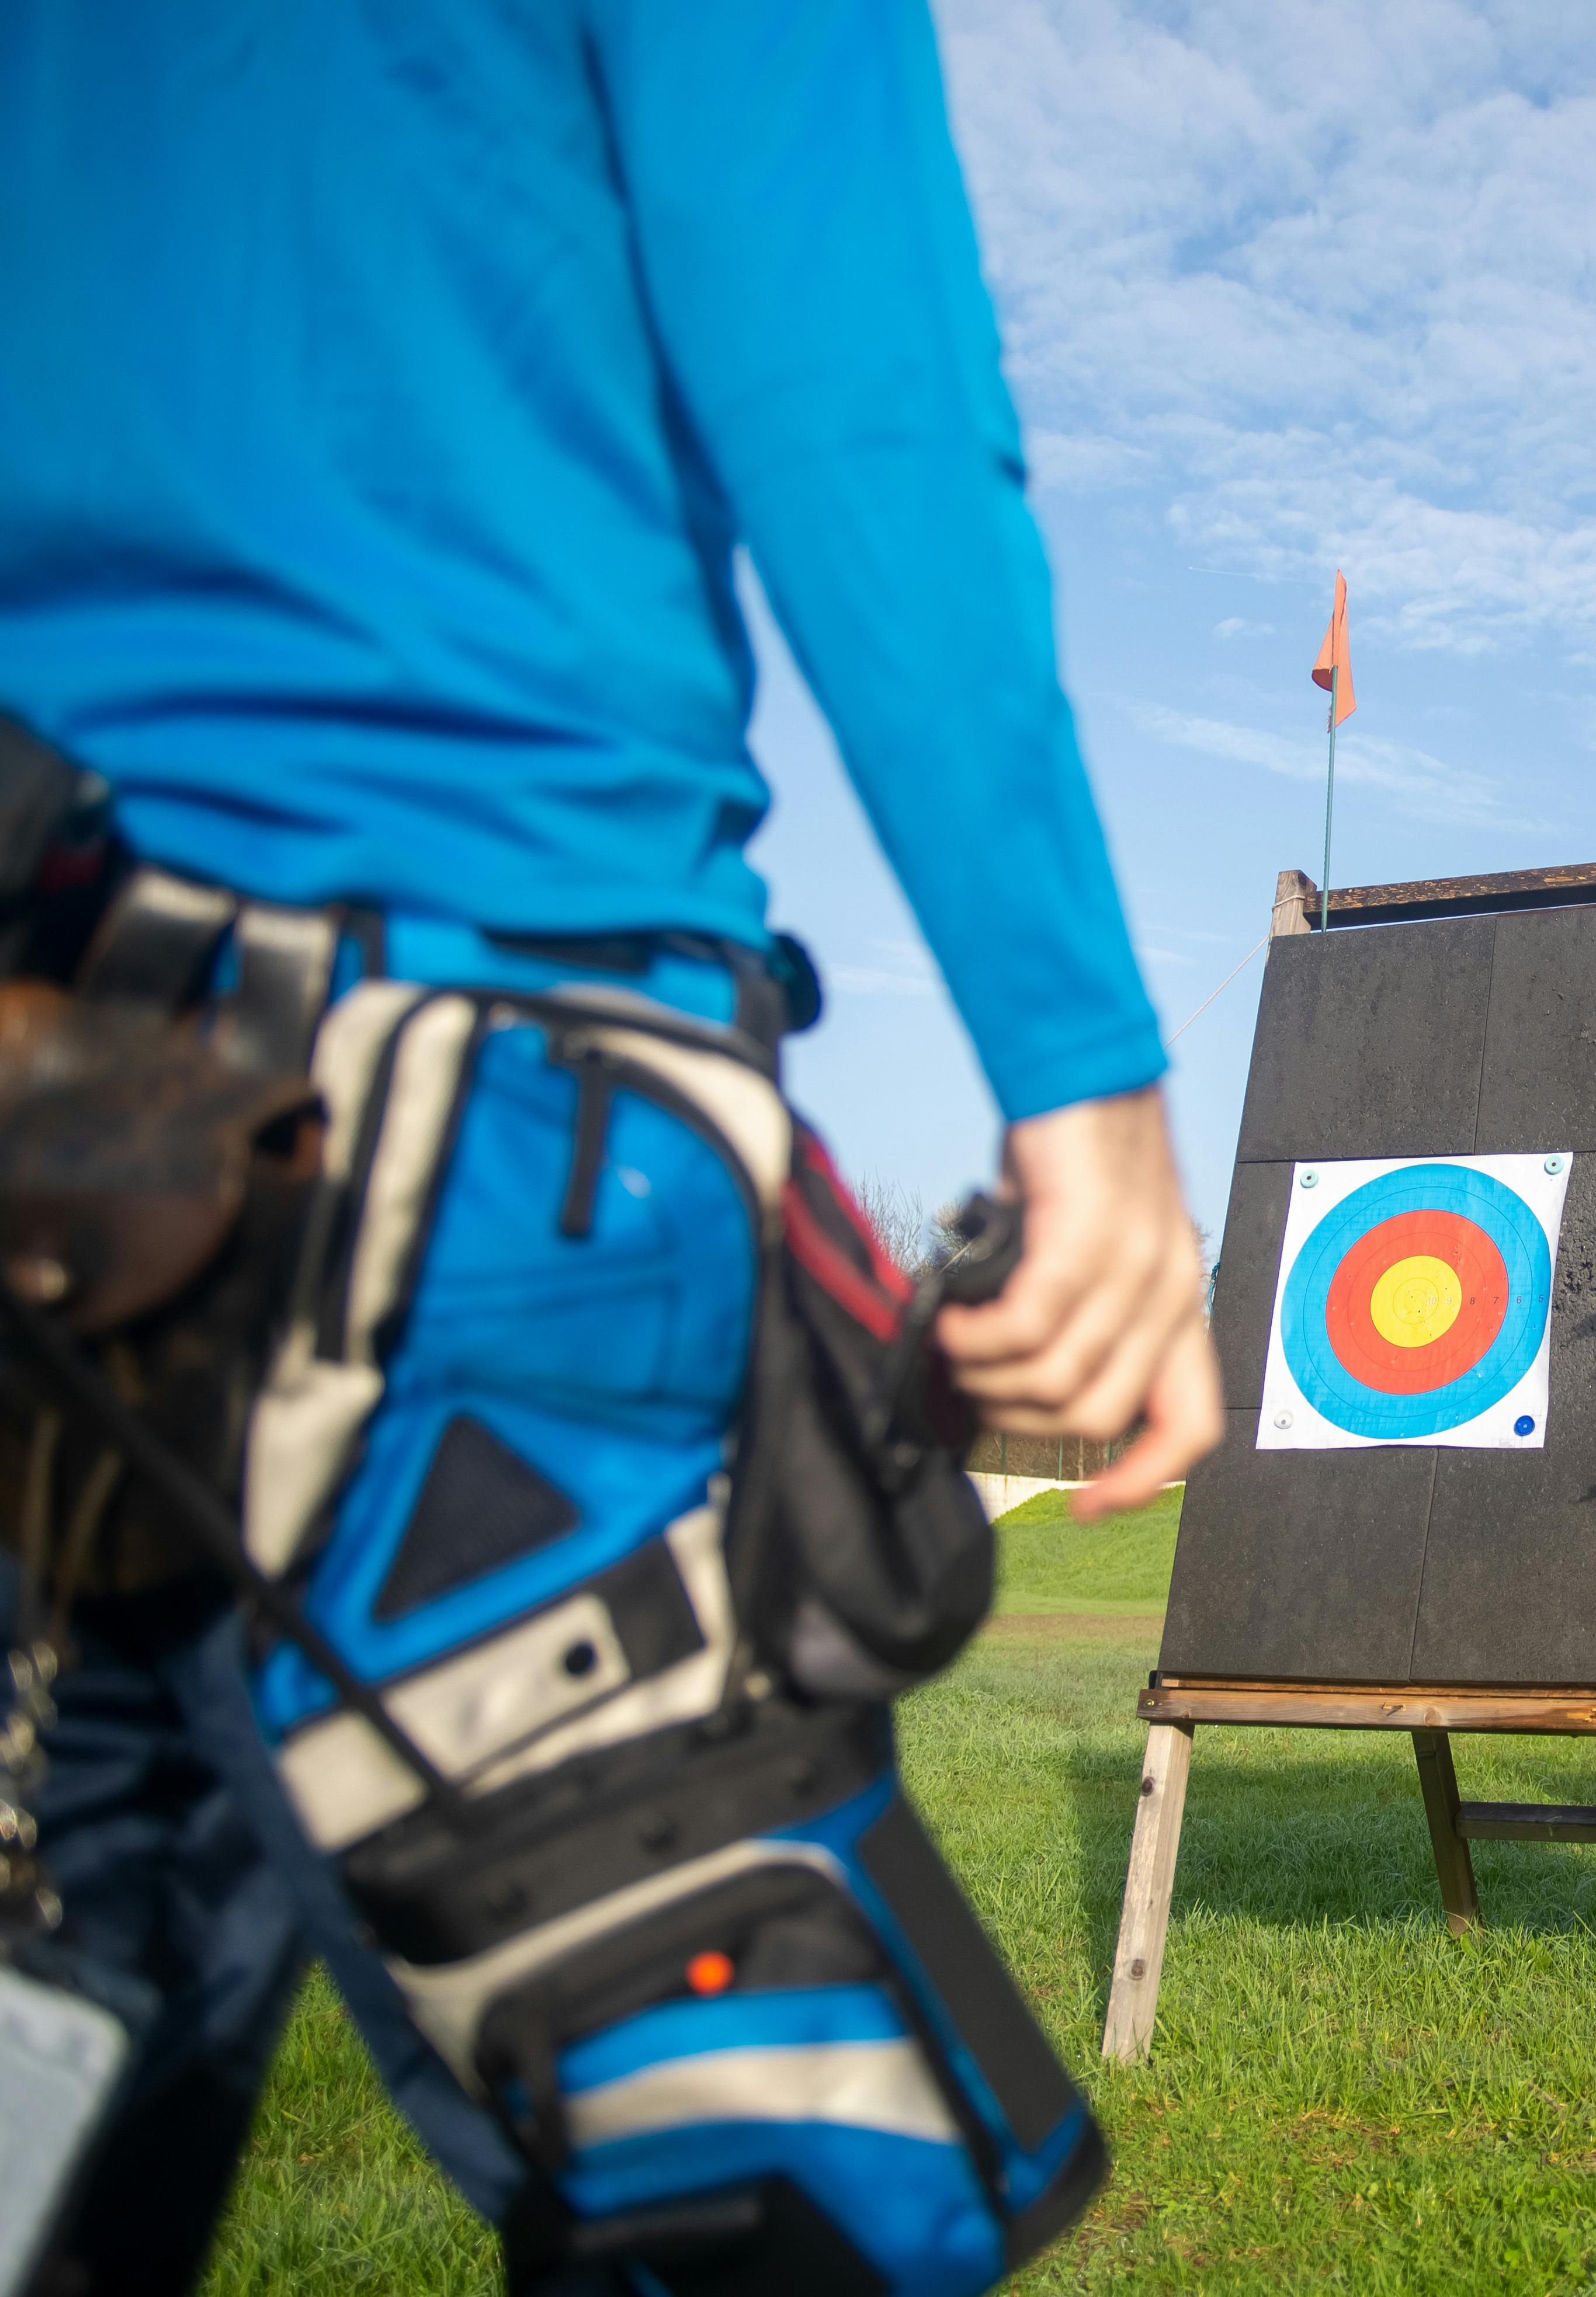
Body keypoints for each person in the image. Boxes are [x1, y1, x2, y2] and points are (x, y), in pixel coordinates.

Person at [0, 3, 1222, 2288]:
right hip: (467, 1138)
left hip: (45, 1027)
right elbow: (849, 369)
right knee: (803, 2229)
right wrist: (1090, 1076)